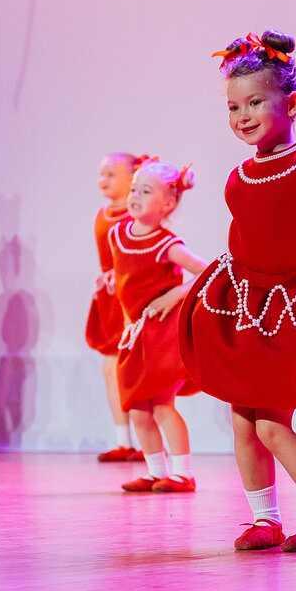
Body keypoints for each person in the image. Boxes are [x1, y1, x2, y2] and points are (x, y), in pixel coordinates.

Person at [180, 30, 296, 551]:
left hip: (290, 310)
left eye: (256, 102)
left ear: (290, 103)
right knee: (242, 421)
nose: (243, 115)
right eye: (233, 106)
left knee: (271, 425)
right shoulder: (240, 176)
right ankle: (265, 518)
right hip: (247, 309)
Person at [111, 161, 207, 493]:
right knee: (139, 409)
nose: (135, 196)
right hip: (136, 332)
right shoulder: (118, 234)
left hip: (163, 333)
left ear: (167, 204)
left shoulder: (167, 244)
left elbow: (206, 272)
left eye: (146, 191)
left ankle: (183, 472)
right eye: (134, 188)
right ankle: (155, 471)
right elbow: (127, 275)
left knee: (163, 405)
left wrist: (176, 294)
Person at [85, 152, 142, 462]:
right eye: (101, 174)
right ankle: (124, 440)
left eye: (111, 174)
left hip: (130, 295)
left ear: (132, 177)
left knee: (132, 369)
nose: (103, 180)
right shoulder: (102, 214)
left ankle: (150, 446)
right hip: (109, 297)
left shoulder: (137, 215)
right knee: (110, 370)